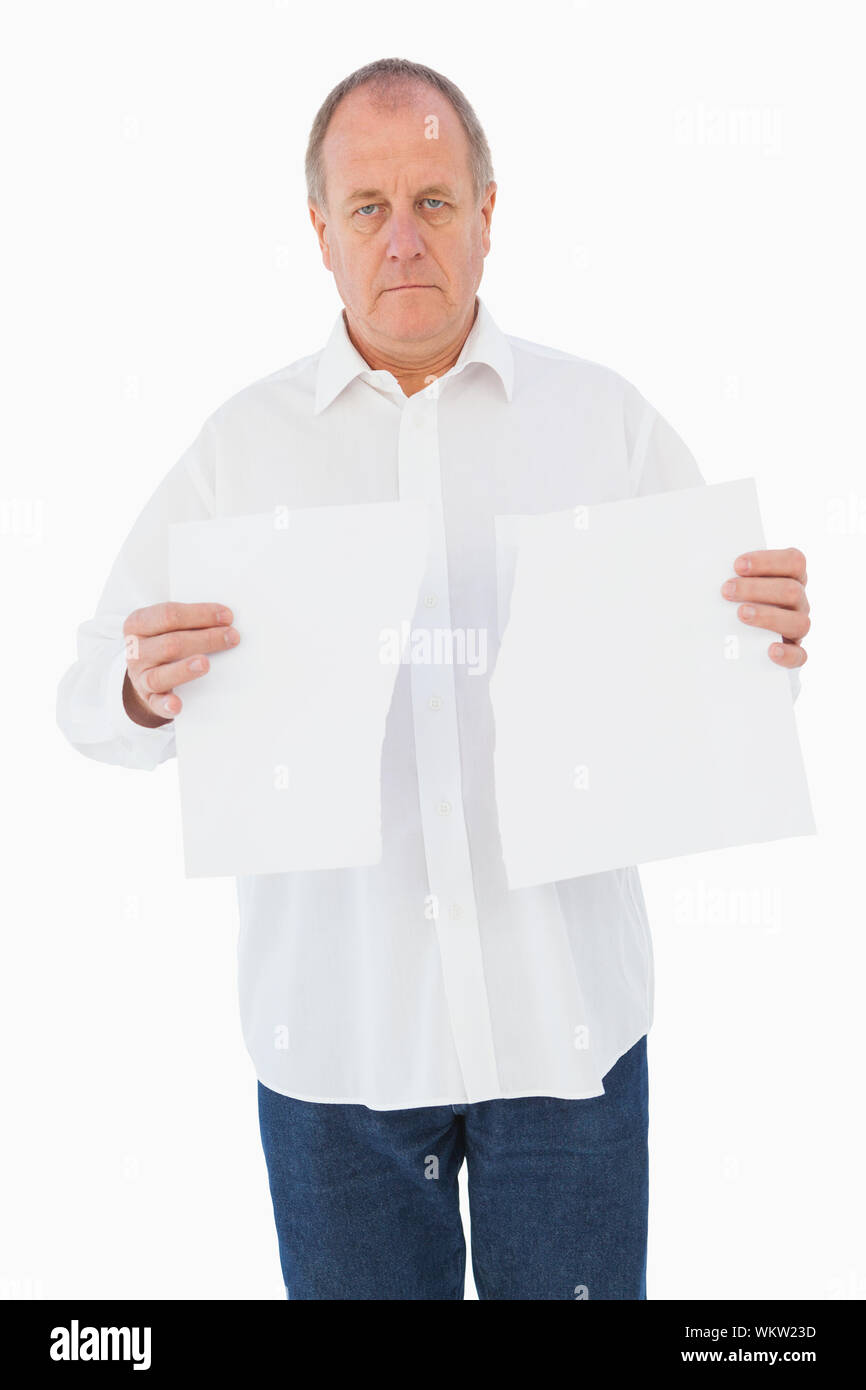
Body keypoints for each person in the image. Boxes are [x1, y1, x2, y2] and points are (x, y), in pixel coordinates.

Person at [56, 57, 811, 1300]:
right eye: (367, 207)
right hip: (336, 1052)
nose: (402, 240)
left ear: (487, 213)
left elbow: (728, 681)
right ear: (318, 231)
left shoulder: (600, 421)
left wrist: (766, 644)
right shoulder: (240, 450)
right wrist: (142, 688)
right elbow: (87, 700)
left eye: (434, 202)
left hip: (565, 1035)